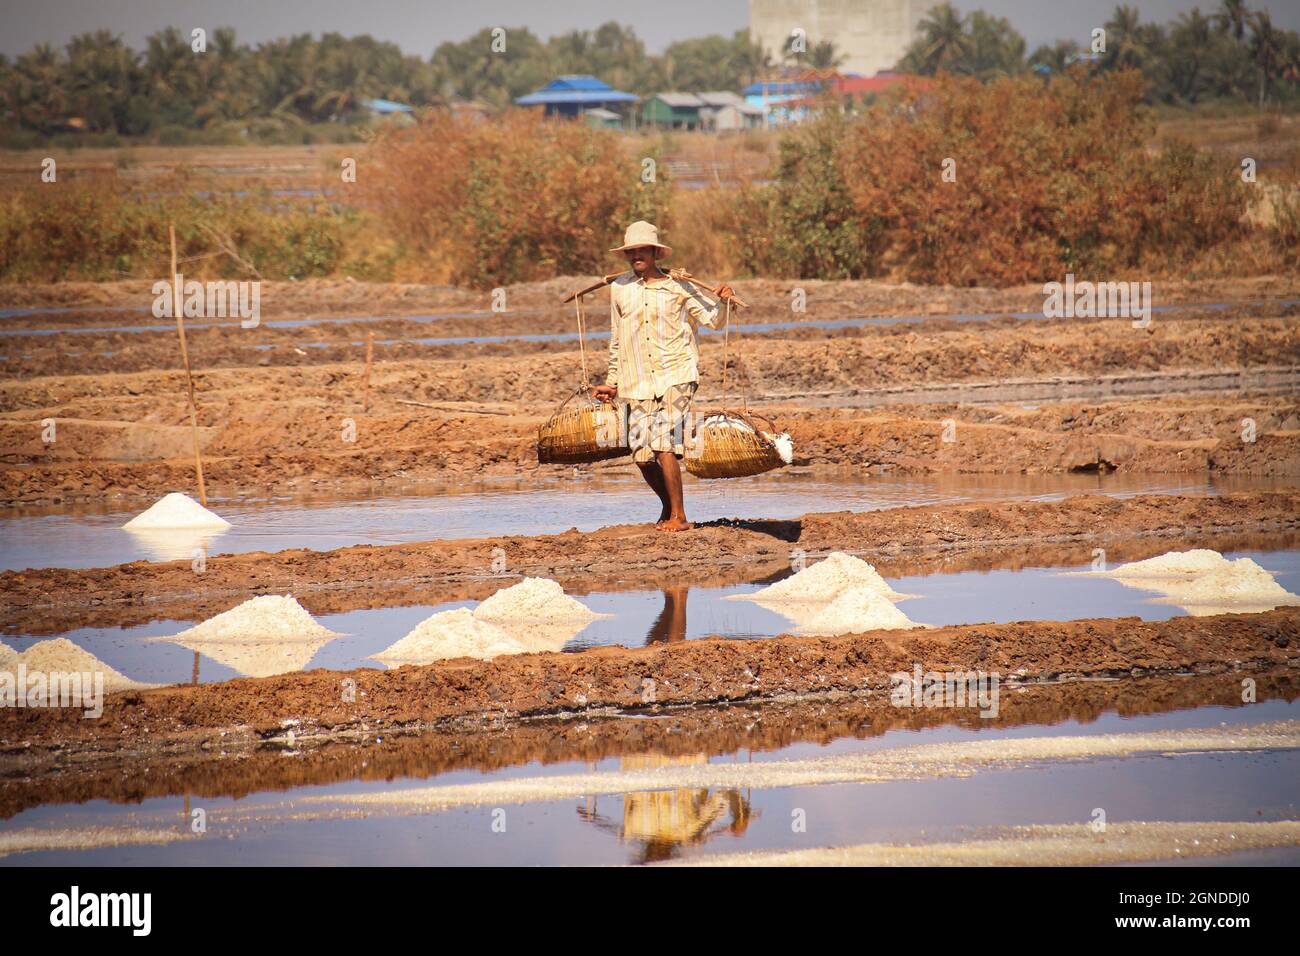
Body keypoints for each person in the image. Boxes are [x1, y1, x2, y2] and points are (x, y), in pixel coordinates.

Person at [592, 220, 736, 532]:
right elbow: (617, 339)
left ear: (655, 252)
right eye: (631, 252)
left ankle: (680, 517)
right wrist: (612, 382)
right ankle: (668, 507)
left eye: (641, 250)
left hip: (676, 374)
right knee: (642, 456)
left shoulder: (679, 286)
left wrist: (721, 299)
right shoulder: (620, 289)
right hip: (636, 380)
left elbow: (711, 320)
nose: (636, 256)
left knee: (661, 441)